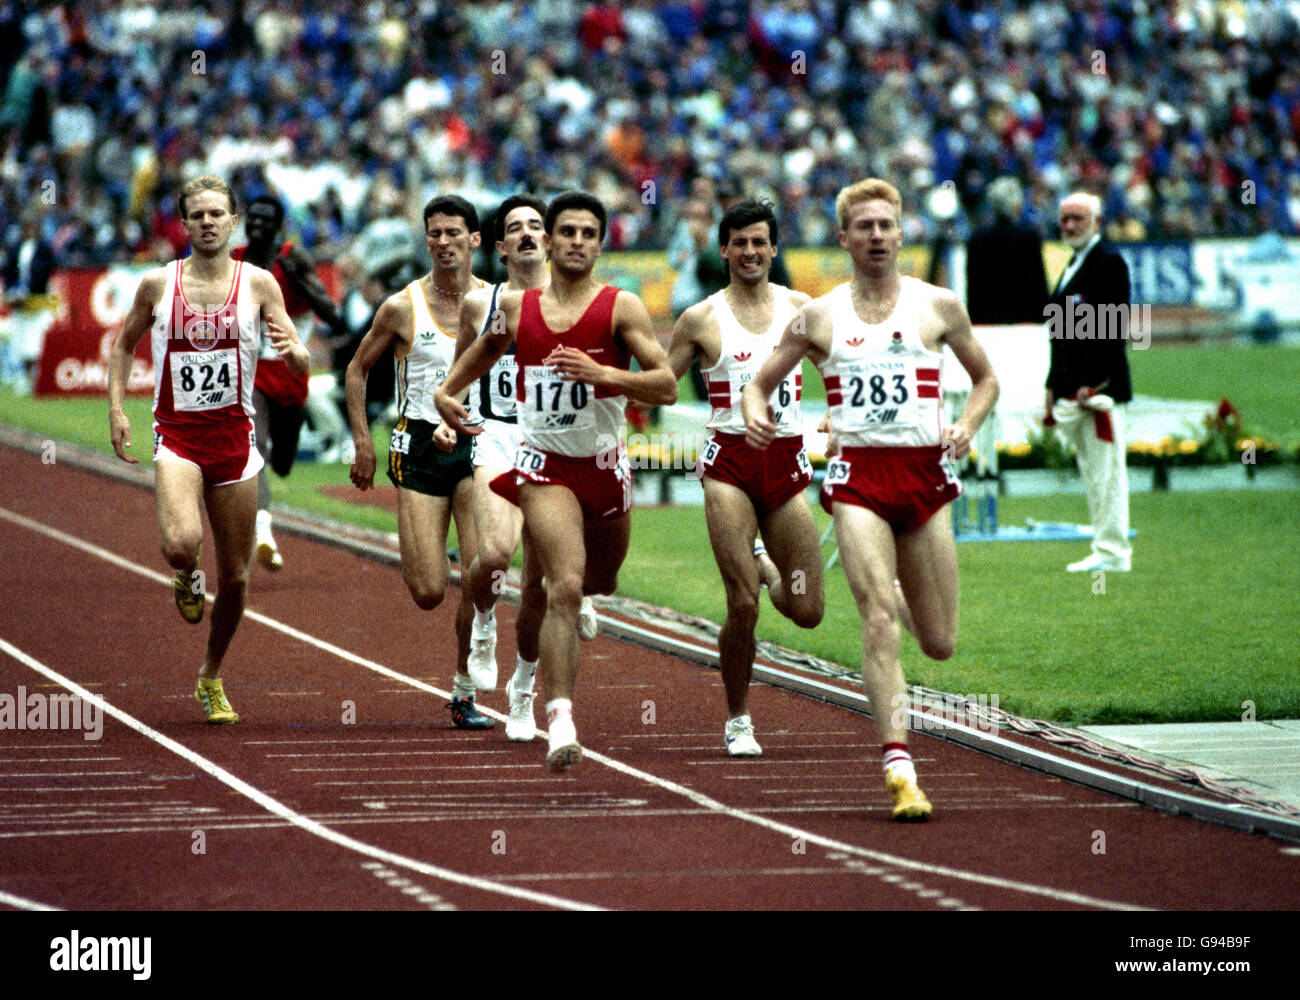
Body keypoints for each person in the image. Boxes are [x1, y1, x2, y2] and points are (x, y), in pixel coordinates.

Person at [742, 178, 998, 821]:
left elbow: (987, 377)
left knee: (938, 641)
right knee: (876, 617)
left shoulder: (938, 305)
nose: (877, 236)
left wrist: (967, 423)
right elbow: (761, 382)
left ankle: (885, 590)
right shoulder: (819, 316)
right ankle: (899, 765)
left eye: (886, 225)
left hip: (924, 477)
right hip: (857, 478)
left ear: (902, 231)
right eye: (865, 227)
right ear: (844, 238)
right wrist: (756, 415)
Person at [435, 190, 677, 772]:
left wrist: (603, 374)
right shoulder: (519, 310)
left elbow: (667, 384)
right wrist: (448, 393)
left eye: (586, 233)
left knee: (600, 580)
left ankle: (563, 617)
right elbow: (486, 350)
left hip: (603, 467)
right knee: (561, 588)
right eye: (565, 231)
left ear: (599, 243)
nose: (574, 241)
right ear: (549, 242)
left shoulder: (622, 308)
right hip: (542, 466)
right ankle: (559, 717)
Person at [108, 175, 309, 725]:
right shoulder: (156, 284)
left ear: (233, 219)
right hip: (177, 438)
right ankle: (185, 572)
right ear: (185, 222)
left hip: (235, 443)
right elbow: (124, 345)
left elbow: (299, 356)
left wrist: (297, 358)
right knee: (181, 543)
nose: (208, 222)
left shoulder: (260, 283)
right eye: (197, 215)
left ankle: (211, 676)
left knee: (239, 578)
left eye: (217, 213)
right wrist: (118, 409)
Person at [666, 198, 824, 756]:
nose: (751, 252)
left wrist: (845, 423)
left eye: (761, 242)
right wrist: (611, 382)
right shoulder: (702, 318)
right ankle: (738, 719)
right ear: (725, 249)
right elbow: (664, 384)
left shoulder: (802, 308)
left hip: (785, 466)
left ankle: (761, 562)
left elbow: (844, 371)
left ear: (774, 248)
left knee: (806, 609)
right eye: (740, 243)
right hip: (729, 465)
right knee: (743, 606)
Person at [344, 193, 495, 729]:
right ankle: (436, 548)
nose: (444, 242)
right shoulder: (402, 306)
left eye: (455, 233)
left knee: (484, 579)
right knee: (431, 591)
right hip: (420, 445)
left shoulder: (499, 303)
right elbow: (357, 370)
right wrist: (363, 442)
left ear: (475, 240)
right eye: (434, 233)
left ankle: (462, 691)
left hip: (479, 444)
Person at [455, 193, 598, 743]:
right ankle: (485, 623)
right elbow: (462, 366)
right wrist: (450, 410)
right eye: (515, 228)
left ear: (551, 237)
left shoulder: (577, 300)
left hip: (556, 441)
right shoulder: (480, 303)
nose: (527, 234)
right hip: (497, 433)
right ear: (500, 245)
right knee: (493, 554)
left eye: (537, 225)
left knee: (539, 585)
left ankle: (523, 688)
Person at [230, 194, 344, 571]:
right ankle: (263, 531)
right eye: (254, 219)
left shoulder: (294, 258)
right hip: (252, 372)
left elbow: (331, 313)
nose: (258, 226)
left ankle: (278, 470)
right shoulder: (235, 261)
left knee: (282, 461)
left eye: (267, 221)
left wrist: (300, 283)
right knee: (255, 447)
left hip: (292, 370)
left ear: (279, 227)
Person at [1044, 191, 1133, 573]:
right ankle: (1105, 546)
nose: (1069, 226)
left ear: (1097, 222)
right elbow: (1059, 335)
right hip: (1070, 387)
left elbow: (1113, 329)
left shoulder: (1108, 263)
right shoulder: (1071, 265)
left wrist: (1097, 385)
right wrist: (1052, 384)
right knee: (1093, 473)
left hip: (1098, 392)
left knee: (1107, 474)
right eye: (1064, 219)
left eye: (1078, 218)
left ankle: (1113, 552)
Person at [965, 177, 1048, 325]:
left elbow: (973, 288)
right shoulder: (1029, 236)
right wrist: (1041, 318)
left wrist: (975, 321)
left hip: (987, 320)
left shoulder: (977, 237)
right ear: (1017, 205)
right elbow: (1037, 282)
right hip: (1024, 320)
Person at [1, 210, 56, 391]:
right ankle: (24, 376)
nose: (29, 230)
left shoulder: (44, 248)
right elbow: (9, 271)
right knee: (22, 339)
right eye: (26, 227)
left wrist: (29, 289)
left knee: (36, 340)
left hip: (37, 300)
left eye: (32, 227)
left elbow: (45, 272)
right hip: (19, 302)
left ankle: (36, 377)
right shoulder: (16, 248)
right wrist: (11, 290)